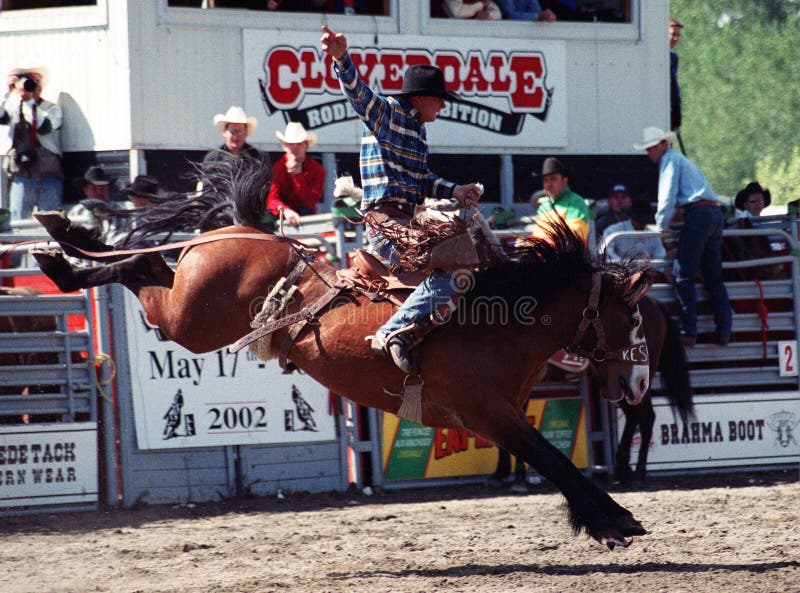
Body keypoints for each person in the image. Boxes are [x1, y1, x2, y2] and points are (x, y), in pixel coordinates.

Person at [321, 25, 484, 374]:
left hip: (406, 221)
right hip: (386, 224)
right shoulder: (388, 113)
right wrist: (341, 58)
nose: (442, 105)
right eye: (439, 98)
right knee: (454, 272)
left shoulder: (418, 130)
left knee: (469, 255)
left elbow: (421, 181)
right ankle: (393, 329)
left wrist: (455, 191)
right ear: (421, 97)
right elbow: (358, 94)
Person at [635, 126, 731, 347]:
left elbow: (667, 197)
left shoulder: (670, 161)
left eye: (651, 148)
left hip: (699, 215)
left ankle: (689, 330)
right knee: (713, 274)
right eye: (648, 149)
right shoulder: (680, 160)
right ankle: (724, 329)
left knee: (682, 272)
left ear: (663, 145)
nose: (650, 153)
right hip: (713, 213)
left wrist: (660, 227)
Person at [0, 65, 63, 221]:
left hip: (48, 173)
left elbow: (44, 128)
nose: (32, 85)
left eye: (35, 81)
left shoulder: (52, 109)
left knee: (52, 221)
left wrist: (29, 102)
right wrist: (7, 92)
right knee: (18, 221)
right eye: (28, 81)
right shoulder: (13, 107)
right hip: (22, 173)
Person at [266, 122, 325, 228]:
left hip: (305, 217)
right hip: (281, 216)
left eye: (299, 144)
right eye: (290, 144)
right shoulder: (277, 169)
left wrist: (297, 176)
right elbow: (272, 199)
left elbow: (309, 202)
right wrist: (286, 211)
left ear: (306, 146)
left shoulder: (317, 170)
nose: (294, 148)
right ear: (285, 146)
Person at [531, 157, 590, 242]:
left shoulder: (576, 203)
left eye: (553, 179)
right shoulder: (543, 207)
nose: (549, 184)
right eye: (545, 180)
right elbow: (537, 235)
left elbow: (573, 238)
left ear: (565, 181)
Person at [602, 199, 666, 262]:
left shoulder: (652, 235)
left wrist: (649, 268)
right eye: (639, 220)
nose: (641, 223)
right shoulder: (613, 231)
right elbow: (607, 253)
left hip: (645, 270)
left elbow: (659, 255)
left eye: (644, 221)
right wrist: (622, 266)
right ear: (632, 217)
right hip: (619, 270)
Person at [669, 18, 683, 132]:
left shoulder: (673, 57)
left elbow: (674, 85)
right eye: (673, 34)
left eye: (678, 35)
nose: (676, 39)